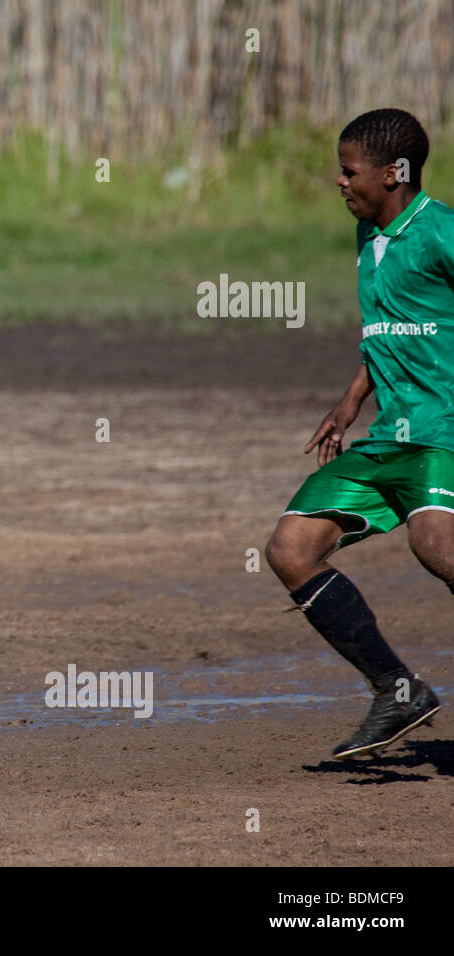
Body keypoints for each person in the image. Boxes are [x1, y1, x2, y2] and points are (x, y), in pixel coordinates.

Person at [266, 109, 447, 759]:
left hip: (441, 432)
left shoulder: (441, 233)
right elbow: (388, 332)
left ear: (393, 173)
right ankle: (397, 689)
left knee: (438, 547)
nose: (339, 182)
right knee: (291, 548)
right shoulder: (369, 236)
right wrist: (348, 405)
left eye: (350, 171)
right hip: (386, 435)